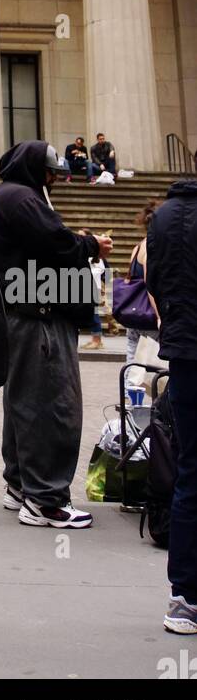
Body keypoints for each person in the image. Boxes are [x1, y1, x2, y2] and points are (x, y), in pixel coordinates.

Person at [0, 141, 113, 529]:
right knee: (52, 406)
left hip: (28, 312)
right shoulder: (22, 198)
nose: (54, 180)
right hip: (39, 314)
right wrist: (92, 244)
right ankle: (45, 500)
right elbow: (57, 244)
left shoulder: (13, 195)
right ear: (36, 169)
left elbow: (46, 242)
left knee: (24, 403)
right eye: (51, 173)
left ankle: (21, 486)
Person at [146, 177, 197, 635]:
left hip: (184, 354)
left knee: (190, 471)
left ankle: (184, 598)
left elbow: (154, 282)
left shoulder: (162, 216)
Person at [124, 201, 163, 375]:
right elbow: (150, 284)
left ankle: (128, 399)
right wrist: (160, 315)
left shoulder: (138, 246)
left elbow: (129, 279)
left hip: (134, 315)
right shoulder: (151, 247)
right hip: (149, 316)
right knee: (153, 368)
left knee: (132, 362)